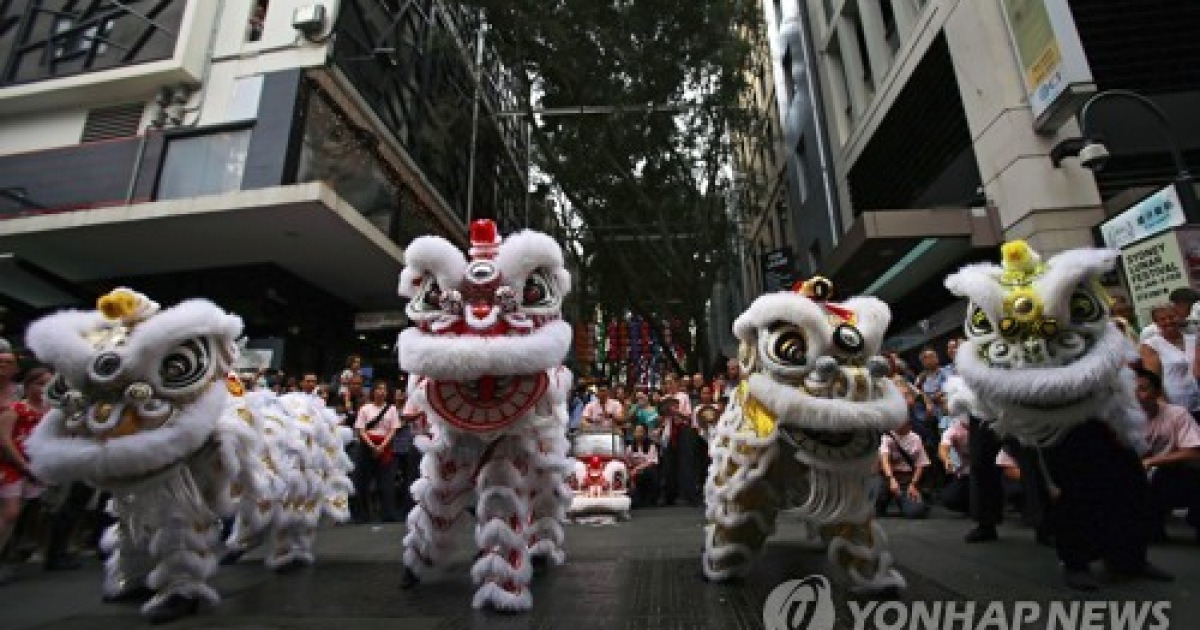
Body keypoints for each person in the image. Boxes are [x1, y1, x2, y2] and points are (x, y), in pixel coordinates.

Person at [1135, 368, 1200, 542]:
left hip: (1176, 474)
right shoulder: (1122, 418)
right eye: (1132, 391)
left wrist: (1152, 461)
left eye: (1143, 389)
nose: (1137, 395)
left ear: (1157, 393)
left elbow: (1194, 452)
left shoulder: (1177, 414)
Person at [0, 367, 51, 584]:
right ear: (28, 386)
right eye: (38, 384)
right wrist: (23, 465)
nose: (42, 389)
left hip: (35, 466)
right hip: (11, 465)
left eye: (47, 384)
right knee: (10, 512)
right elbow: (4, 441)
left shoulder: (49, 413)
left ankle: (9, 555)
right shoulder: (15, 409)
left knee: (23, 513)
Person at [1140, 303, 1200, 415]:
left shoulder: (1192, 338)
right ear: (1156, 323)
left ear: (1179, 317)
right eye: (1162, 319)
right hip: (1175, 408)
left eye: (1172, 317)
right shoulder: (1152, 344)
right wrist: (1165, 408)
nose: (1168, 321)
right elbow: (1153, 380)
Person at [354, 382, 400, 523]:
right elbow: (361, 429)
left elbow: (393, 429)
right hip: (367, 444)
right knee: (362, 481)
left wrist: (382, 446)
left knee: (386, 482)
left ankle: (388, 513)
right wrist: (372, 446)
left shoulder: (392, 409)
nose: (381, 392)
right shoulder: (365, 409)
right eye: (378, 389)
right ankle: (363, 515)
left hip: (385, 445)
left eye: (384, 389)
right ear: (373, 392)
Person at [876, 420, 930, 519]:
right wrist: (891, 479)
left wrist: (913, 484)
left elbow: (920, 464)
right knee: (872, 507)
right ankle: (879, 506)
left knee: (915, 512)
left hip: (906, 478)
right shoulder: (887, 437)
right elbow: (884, 459)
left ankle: (910, 502)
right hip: (887, 477)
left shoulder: (915, 438)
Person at [628, 424, 660, 508]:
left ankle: (652, 499)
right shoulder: (630, 447)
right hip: (635, 472)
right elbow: (627, 462)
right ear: (634, 433)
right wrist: (633, 470)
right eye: (637, 431)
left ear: (645, 433)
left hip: (647, 471)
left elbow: (652, 462)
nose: (639, 434)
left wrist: (638, 468)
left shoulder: (651, 445)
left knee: (652, 471)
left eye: (641, 432)